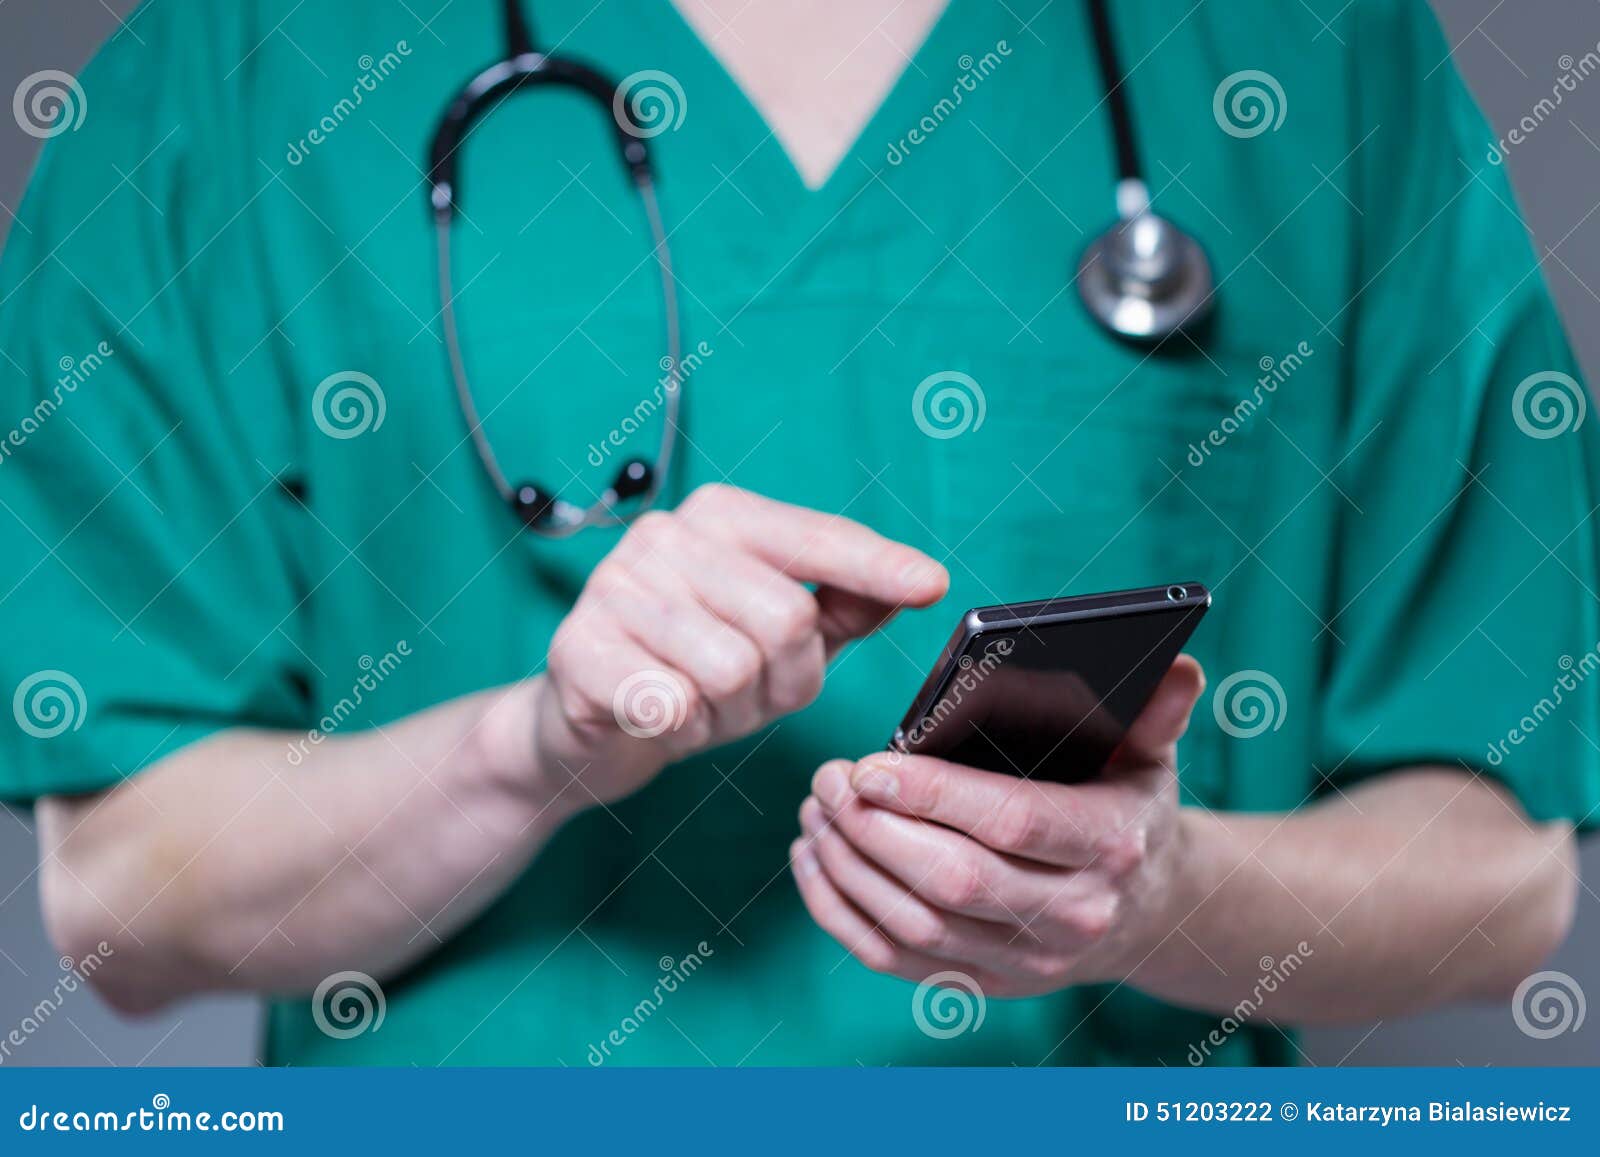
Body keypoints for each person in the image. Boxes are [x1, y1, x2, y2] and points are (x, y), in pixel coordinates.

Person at [0, 0, 1594, 1067]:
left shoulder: (1312, 53)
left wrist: (1160, 891)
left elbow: (1503, 875)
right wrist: (531, 748)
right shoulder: (240, 65)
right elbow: (126, 903)